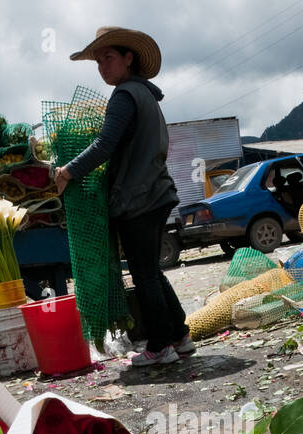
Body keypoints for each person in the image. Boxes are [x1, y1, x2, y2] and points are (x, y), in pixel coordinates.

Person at [55, 26, 192, 367]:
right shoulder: (143, 94)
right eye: (98, 61)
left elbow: (104, 145)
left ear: (128, 58)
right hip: (156, 194)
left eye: (109, 58)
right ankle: (180, 335)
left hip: (140, 199)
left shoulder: (124, 96)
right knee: (151, 271)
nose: (102, 66)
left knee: (145, 274)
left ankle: (160, 347)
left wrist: (67, 171)